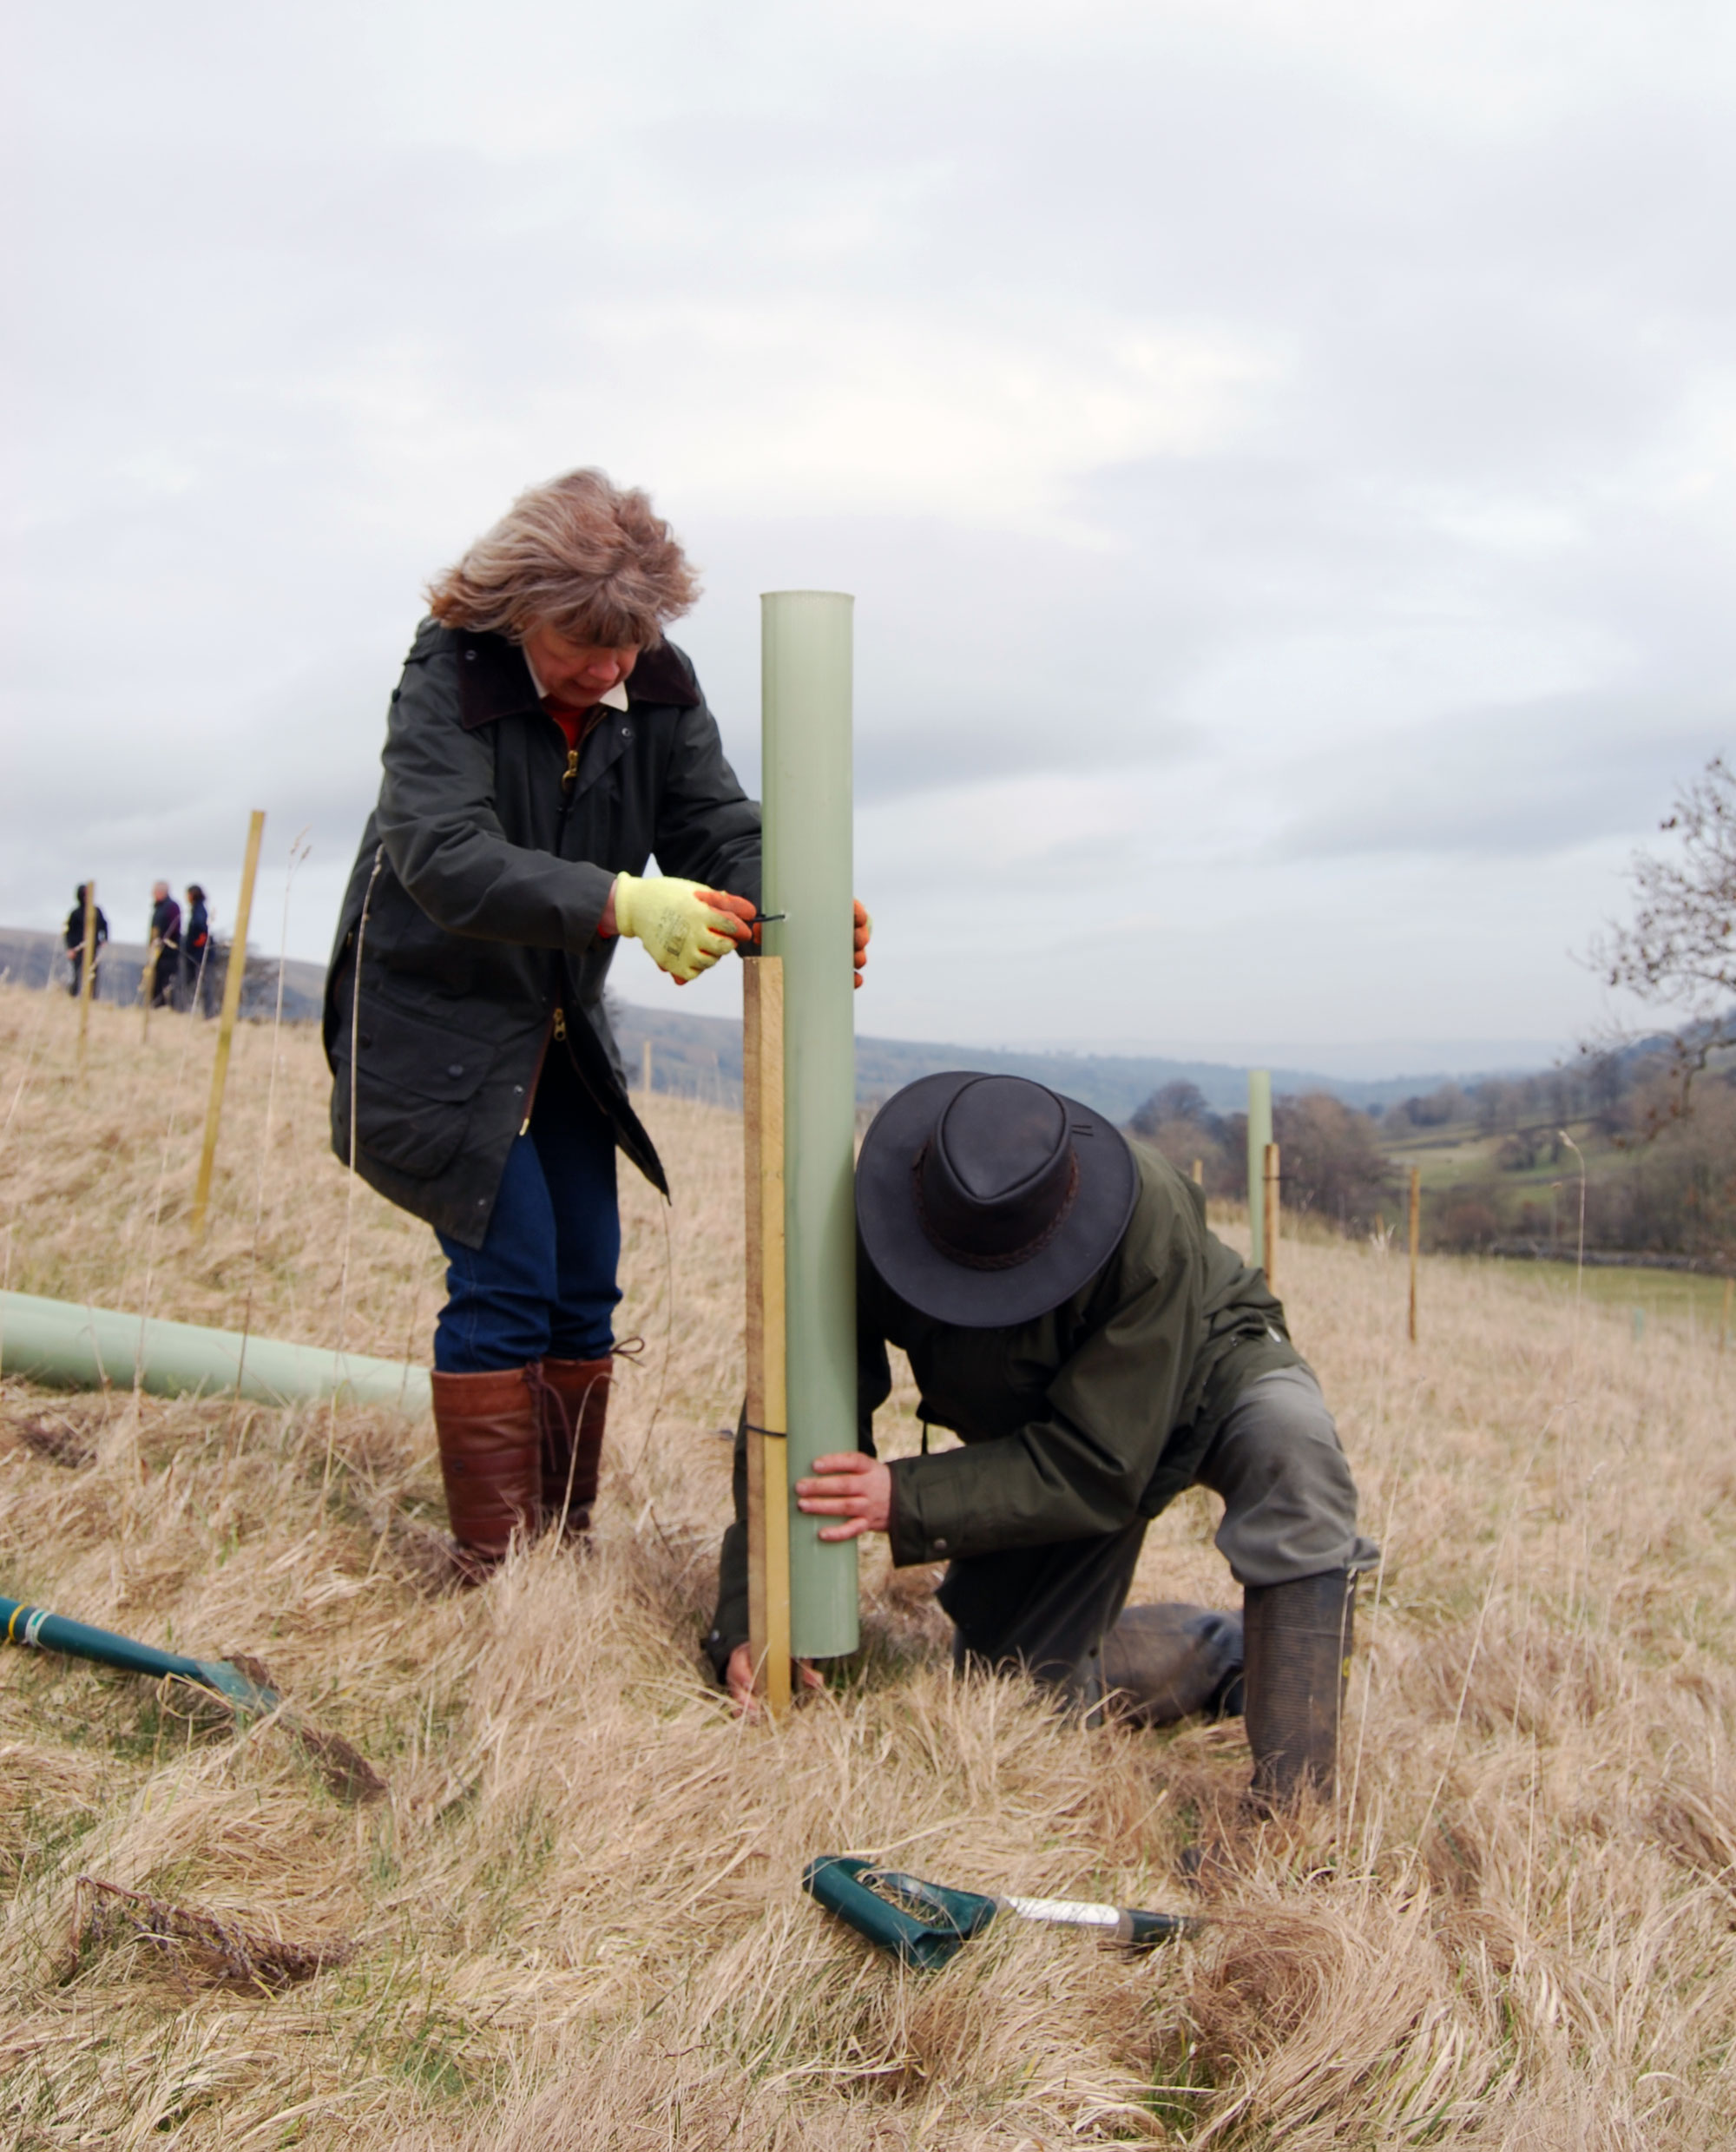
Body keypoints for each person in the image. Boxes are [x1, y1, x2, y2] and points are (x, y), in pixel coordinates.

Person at [323, 468, 869, 1581]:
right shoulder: (448, 673)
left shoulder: (656, 681)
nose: (612, 667)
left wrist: (795, 900)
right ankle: (493, 1569)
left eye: (631, 643)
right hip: (433, 1019)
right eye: (586, 641)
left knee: (586, 1273)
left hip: (557, 1020)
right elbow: (443, 856)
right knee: (510, 1269)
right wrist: (622, 903)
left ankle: (556, 1552)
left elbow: (712, 826)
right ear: (518, 604)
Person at [708, 1072, 1378, 1806]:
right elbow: (794, 1406)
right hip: (1048, 1426)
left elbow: (1101, 1462)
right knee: (1017, 1694)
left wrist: (906, 1495)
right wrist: (760, 1617)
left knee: (1294, 1450)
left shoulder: (1150, 1226)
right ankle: (1228, 1654)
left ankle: (1296, 1806)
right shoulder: (887, 1213)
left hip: (1198, 1372)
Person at [63, 885, 108, 998]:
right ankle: (72, 997)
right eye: (85, 895)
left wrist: (104, 939)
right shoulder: (75, 914)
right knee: (77, 975)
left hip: (93, 948)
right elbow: (68, 933)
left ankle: (92, 999)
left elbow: (104, 925)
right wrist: (70, 948)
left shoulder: (96, 911)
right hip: (78, 949)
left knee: (92, 975)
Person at [147, 882, 181, 1007]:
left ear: (161, 892)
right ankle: (156, 1005)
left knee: (166, 980)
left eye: (154, 892)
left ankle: (167, 1006)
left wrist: (164, 941)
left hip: (168, 952)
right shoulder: (158, 907)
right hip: (157, 950)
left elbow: (174, 929)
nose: (152, 894)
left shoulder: (171, 907)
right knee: (156, 979)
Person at [181, 885, 213, 1014]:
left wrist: (196, 944)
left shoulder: (199, 910)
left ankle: (205, 1012)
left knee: (200, 985)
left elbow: (201, 931)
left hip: (198, 954)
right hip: (197, 953)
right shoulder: (198, 909)